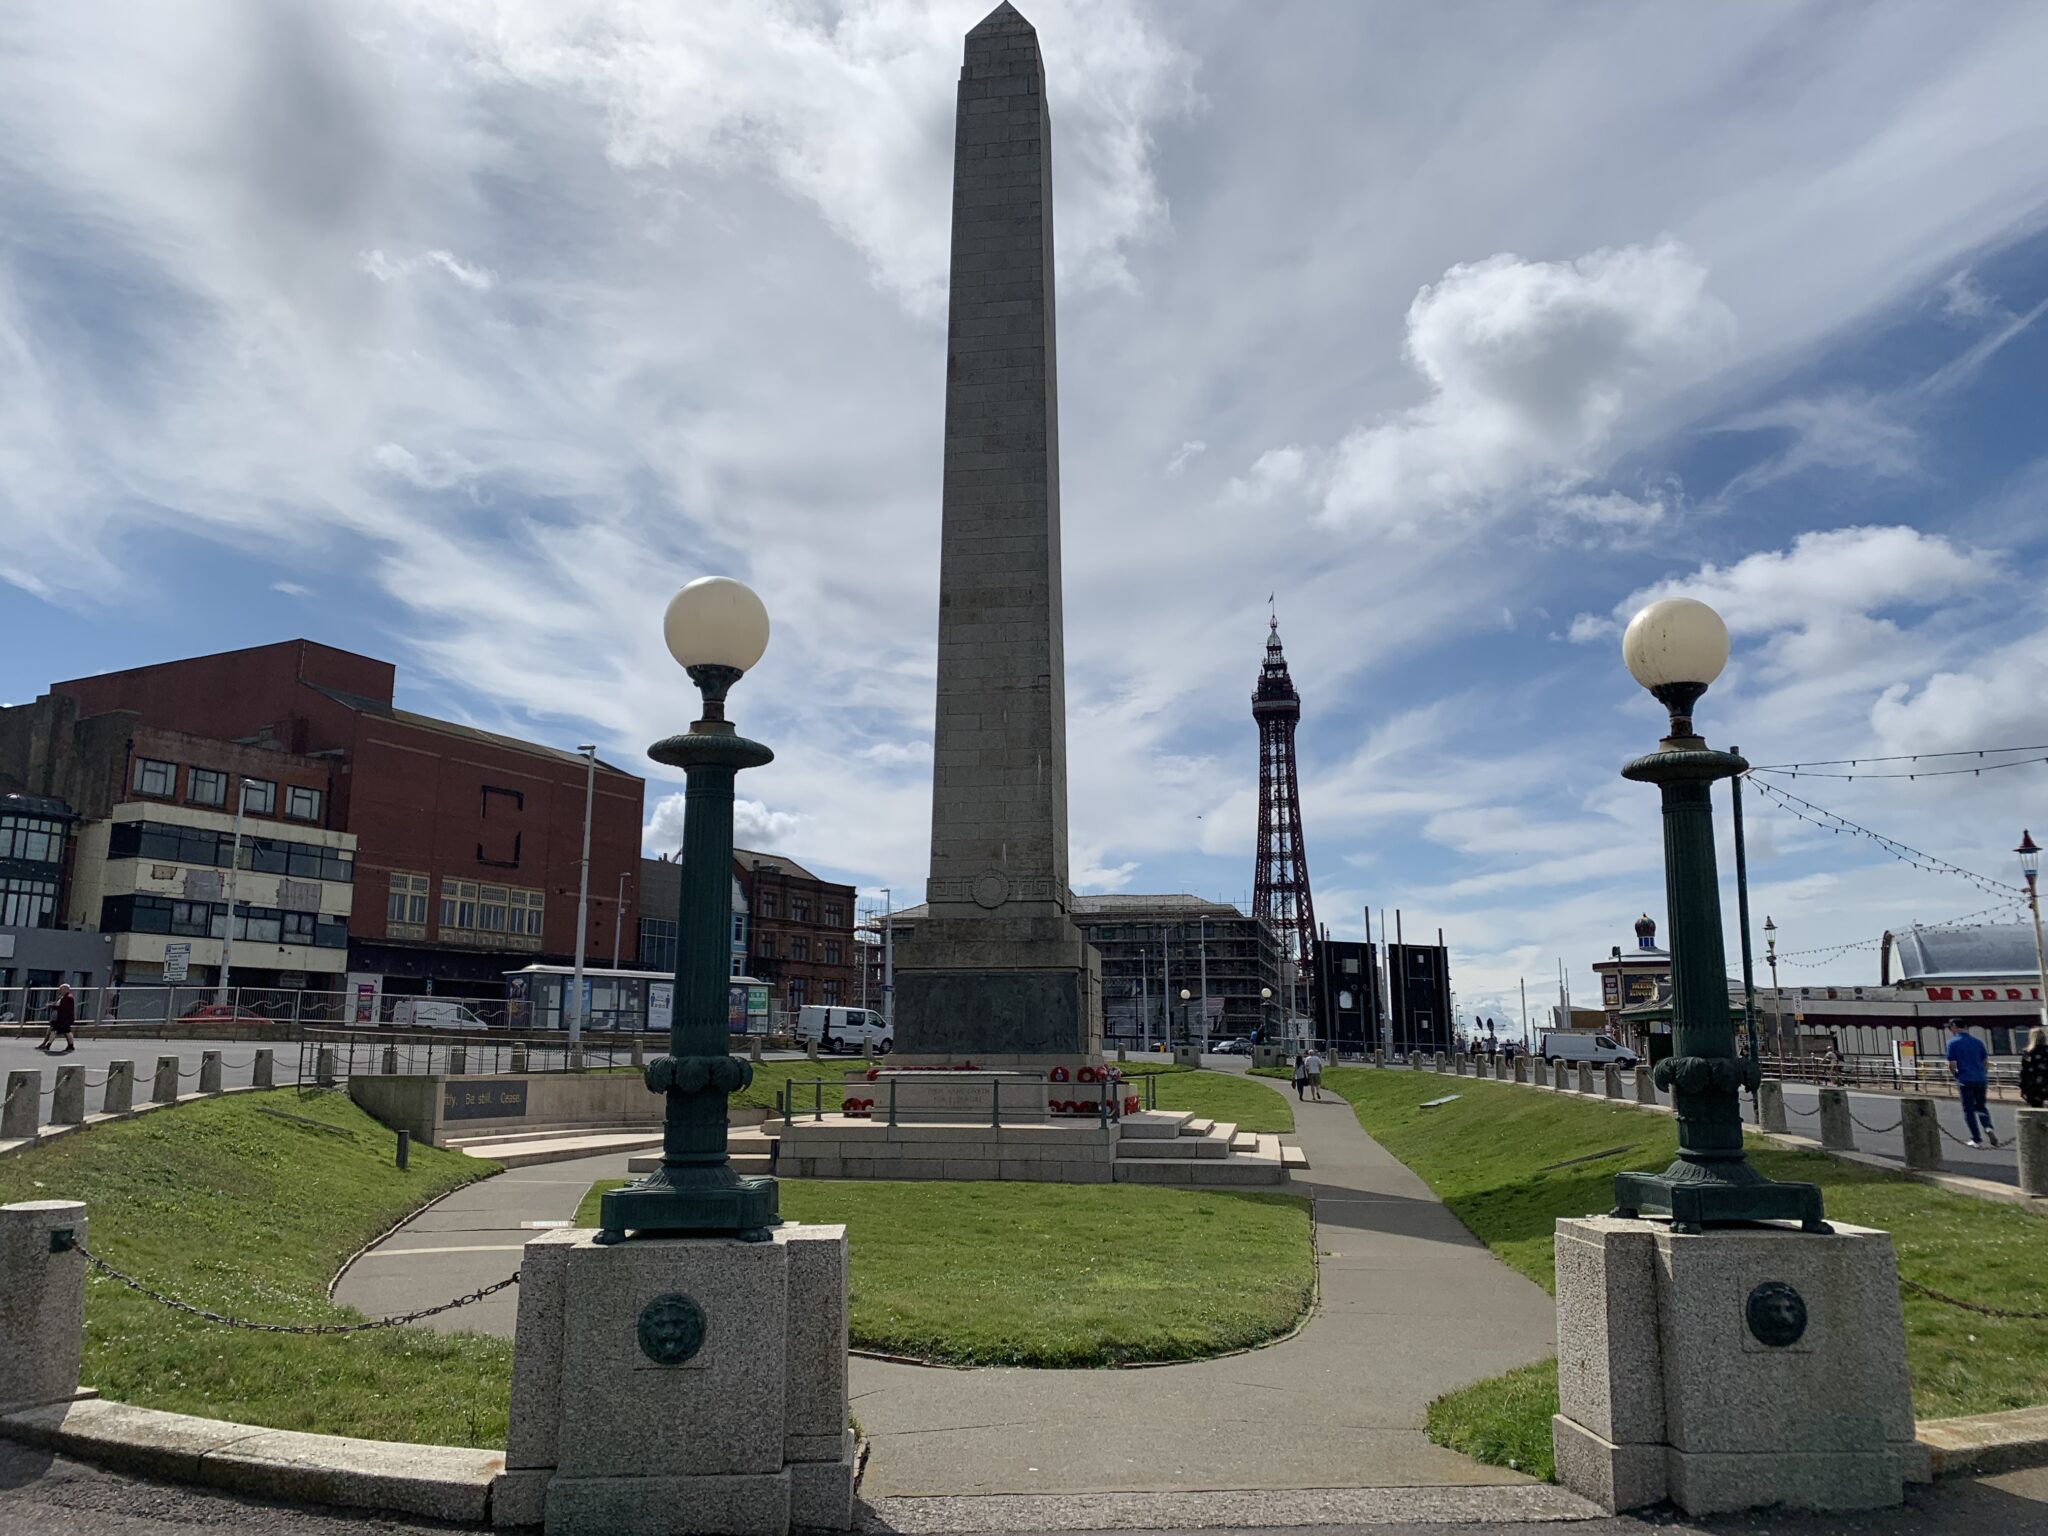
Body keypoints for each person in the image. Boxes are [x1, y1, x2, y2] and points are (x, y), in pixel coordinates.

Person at [1944, 1019, 1999, 1149]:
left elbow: (1951, 1063)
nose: (1950, 1030)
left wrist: (1956, 1074)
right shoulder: (1978, 1042)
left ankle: (1976, 1139)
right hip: (1980, 1078)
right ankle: (1988, 1127)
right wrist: (1983, 1073)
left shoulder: (1952, 1043)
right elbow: (1985, 1061)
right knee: (1981, 1106)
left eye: (1950, 1027)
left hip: (1965, 1079)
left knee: (1968, 1110)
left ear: (1955, 1027)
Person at [35, 983, 77, 1055]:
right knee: (65, 1031)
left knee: (57, 1031)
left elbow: (64, 1008)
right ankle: (70, 1046)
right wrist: (53, 1004)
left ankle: (48, 1045)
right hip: (61, 1018)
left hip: (64, 1018)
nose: (60, 991)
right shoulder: (63, 997)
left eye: (62, 989)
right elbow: (59, 1005)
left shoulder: (68, 998)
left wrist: (53, 1006)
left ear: (66, 989)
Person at [2021, 1025, 2048, 1111]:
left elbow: (2024, 1071)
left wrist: (2023, 1088)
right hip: (2046, 1082)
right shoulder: (2046, 1051)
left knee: (2036, 1109)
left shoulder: (2028, 1053)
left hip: (2033, 1085)